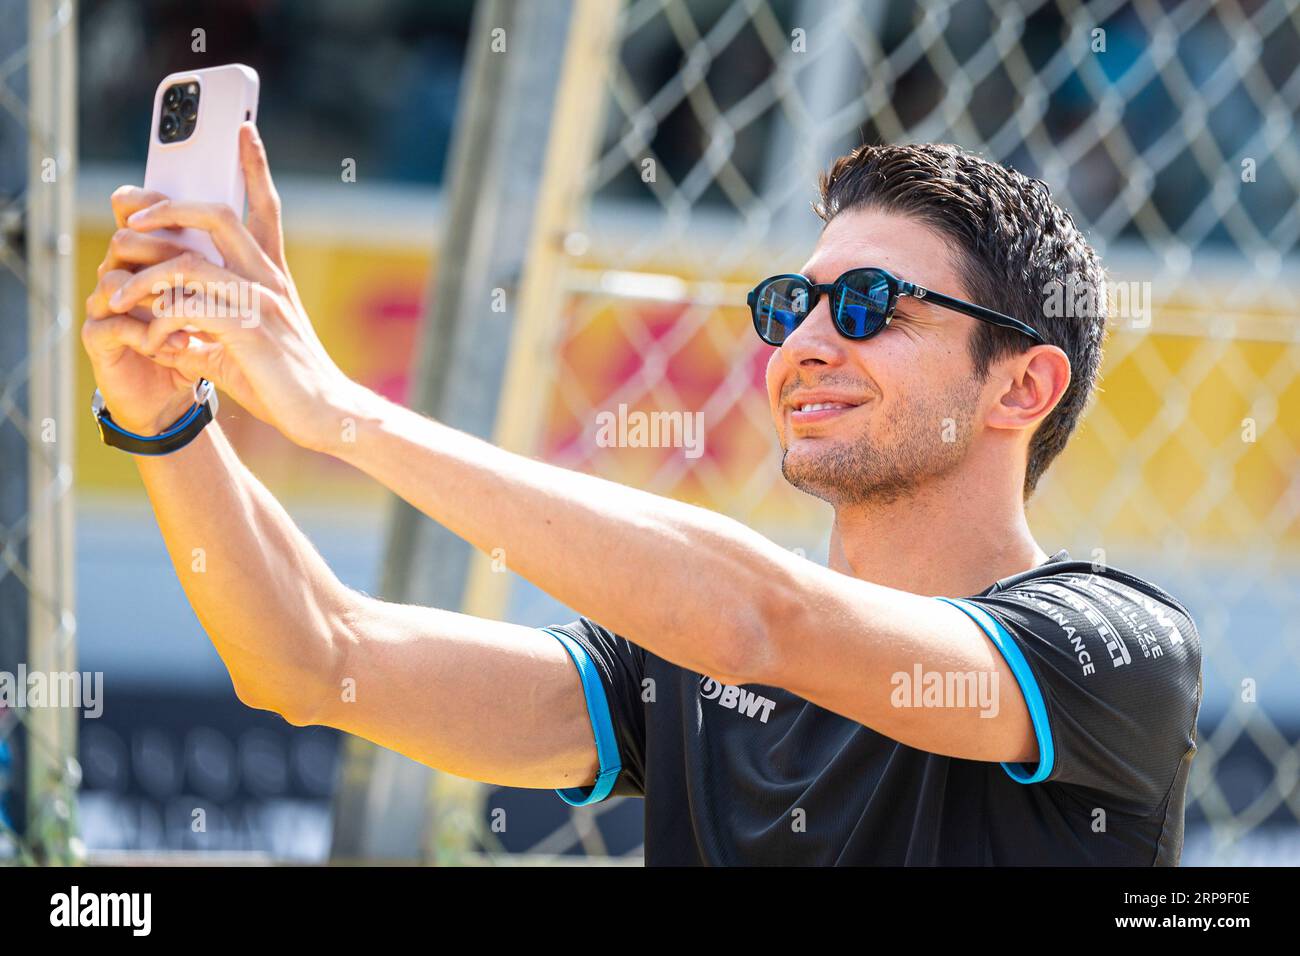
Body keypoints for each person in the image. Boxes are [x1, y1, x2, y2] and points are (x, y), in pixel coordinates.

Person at [82, 126, 1201, 865]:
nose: (804, 343)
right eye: (789, 306)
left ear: (1023, 384)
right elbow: (314, 658)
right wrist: (165, 416)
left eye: (867, 304)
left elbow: (759, 618)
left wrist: (339, 410)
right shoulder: (690, 668)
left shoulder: (1114, 648)